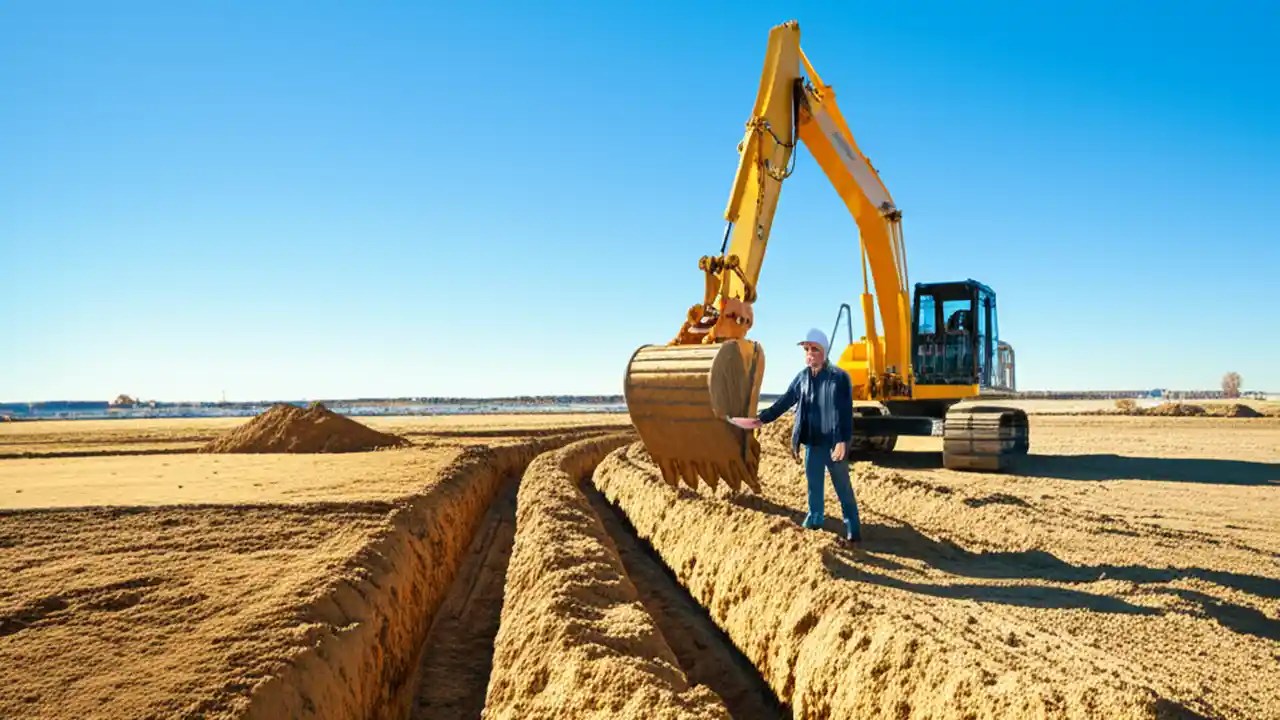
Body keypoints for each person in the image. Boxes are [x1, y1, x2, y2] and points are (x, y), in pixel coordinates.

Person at [730, 328, 861, 544]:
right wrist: (761, 419)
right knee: (814, 486)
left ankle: (852, 527)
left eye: (815, 349)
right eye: (807, 349)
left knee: (842, 487)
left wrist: (841, 440)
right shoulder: (802, 378)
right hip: (812, 444)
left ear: (825, 352)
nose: (810, 353)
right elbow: (784, 402)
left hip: (832, 443)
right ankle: (815, 519)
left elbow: (844, 413)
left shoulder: (839, 378)